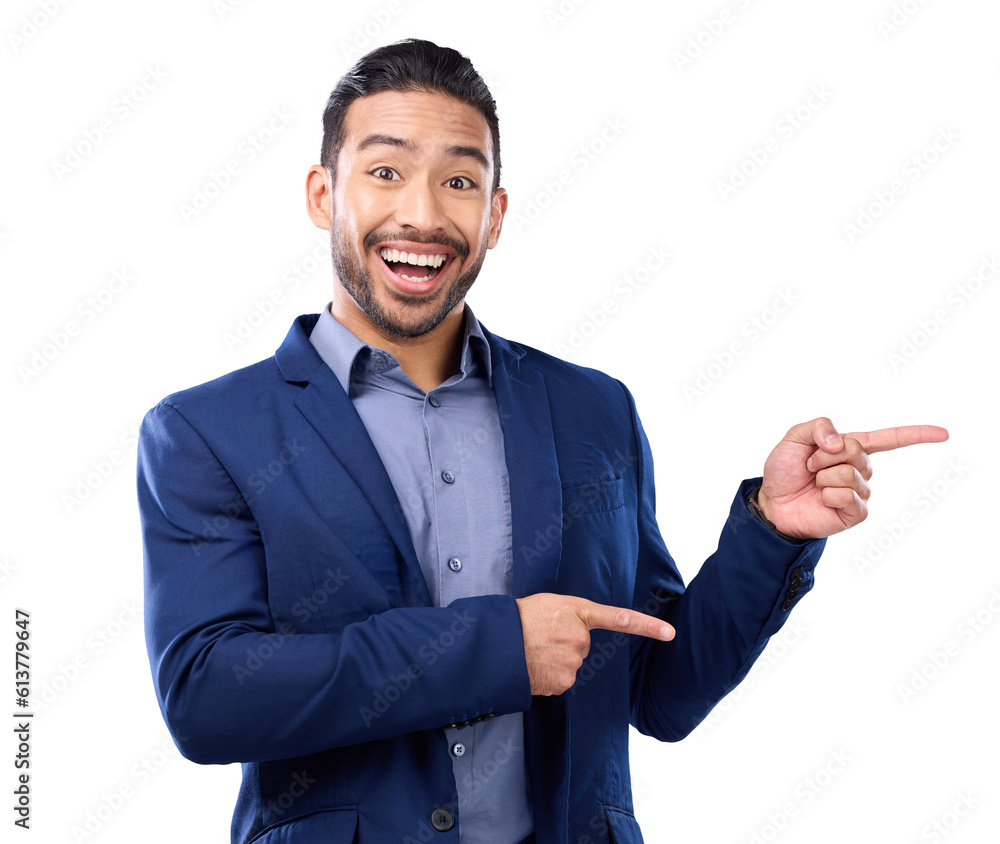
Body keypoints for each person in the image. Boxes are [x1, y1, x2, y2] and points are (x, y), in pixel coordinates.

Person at [137, 39, 948, 844]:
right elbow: (208, 699)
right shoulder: (209, 431)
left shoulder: (593, 411)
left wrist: (770, 533)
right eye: (385, 171)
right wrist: (496, 648)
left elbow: (657, 692)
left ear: (493, 214)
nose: (421, 213)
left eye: (459, 180)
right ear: (323, 195)